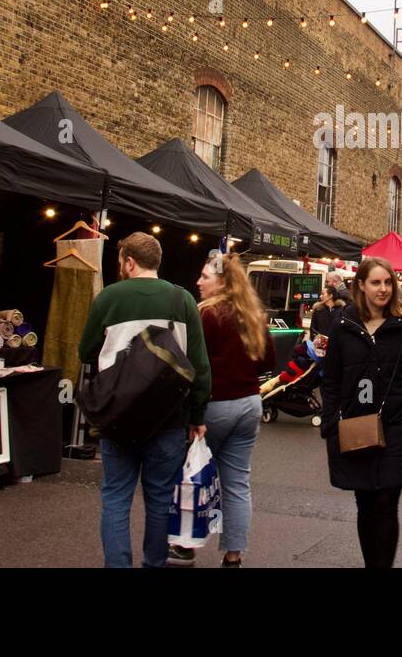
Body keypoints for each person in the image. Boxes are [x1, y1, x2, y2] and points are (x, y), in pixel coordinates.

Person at [78, 233, 211, 568]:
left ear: (129, 261)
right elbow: (200, 366)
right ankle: (154, 563)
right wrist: (197, 415)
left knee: (115, 498)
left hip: (117, 415)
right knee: (159, 499)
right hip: (167, 417)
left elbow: (85, 351)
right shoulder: (182, 300)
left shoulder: (108, 298)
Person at [169, 252, 273, 568]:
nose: (198, 282)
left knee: (193, 475)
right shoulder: (253, 315)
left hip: (215, 404)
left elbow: (194, 367)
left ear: (222, 283)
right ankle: (233, 554)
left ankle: (186, 545)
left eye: (205, 277)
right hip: (250, 404)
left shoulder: (207, 316)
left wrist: (195, 415)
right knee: (237, 483)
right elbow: (268, 362)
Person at [320, 257, 402, 568]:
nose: (383, 289)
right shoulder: (342, 325)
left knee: (387, 502)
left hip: (397, 427)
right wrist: (331, 422)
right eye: (376, 282)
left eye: (388, 283)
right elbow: (332, 378)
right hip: (355, 425)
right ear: (360, 285)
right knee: (365, 502)